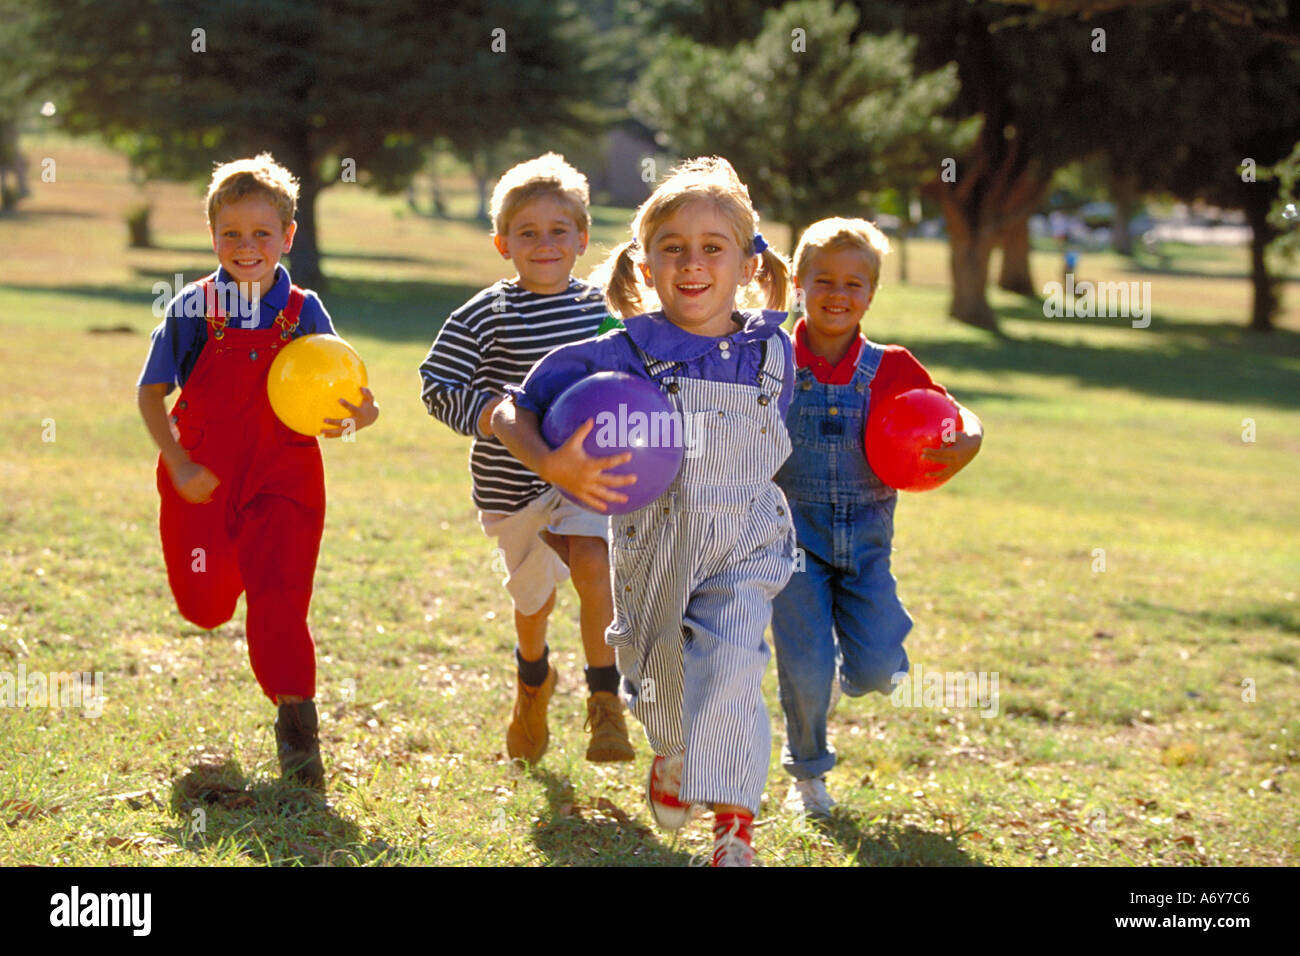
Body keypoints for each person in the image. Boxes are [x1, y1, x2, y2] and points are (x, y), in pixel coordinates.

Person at [492, 156, 795, 866]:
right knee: (656, 687)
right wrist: (552, 462)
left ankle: (734, 831)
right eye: (674, 249)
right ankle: (674, 754)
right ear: (646, 263)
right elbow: (512, 409)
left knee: (732, 669)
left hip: (745, 546)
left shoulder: (774, 352)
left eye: (713, 248)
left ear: (747, 263)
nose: (693, 265)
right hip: (654, 551)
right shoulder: (621, 354)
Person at [137, 153, 379, 789]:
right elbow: (150, 394)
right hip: (202, 483)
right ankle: (230, 566)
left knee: (280, 601)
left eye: (261, 234)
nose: (247, 247)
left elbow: (341, 390)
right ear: (212, 236)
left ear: (287, 237)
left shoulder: (304, 312)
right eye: (231, 235)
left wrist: (363, 413)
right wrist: (180, 462)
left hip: (285, 482)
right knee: (206, 607)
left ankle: (298, 735)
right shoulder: (194, 308)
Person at [418, 153, 633, 765]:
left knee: (594, 565)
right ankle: (532, 679)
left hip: (584, 479)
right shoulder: (484, 315)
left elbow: (632, 378)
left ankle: (605, 705)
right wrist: (491, 416)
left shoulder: (601, 312)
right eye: (528, 233)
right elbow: (437, 385)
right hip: (510, 490)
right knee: (533, 601)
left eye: (559, 231)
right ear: (502, 243)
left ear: (583, 239)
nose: (544, 244)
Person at [771, 217, 982, 818]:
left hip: (865, 543)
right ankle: (807, 775)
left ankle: (856, 657)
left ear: (872, 292)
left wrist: (971, 438)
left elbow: (955, 415)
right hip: (789, 542)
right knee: (807, 667)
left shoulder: (891, 366)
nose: (838, 294)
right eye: (823, 280)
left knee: (879, 669)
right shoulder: (775, 360)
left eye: (854, 284)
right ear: (797, 283)